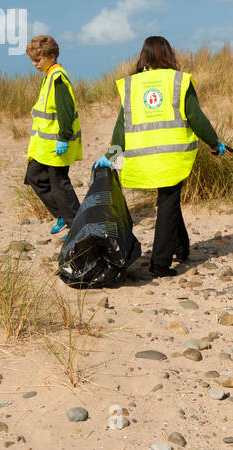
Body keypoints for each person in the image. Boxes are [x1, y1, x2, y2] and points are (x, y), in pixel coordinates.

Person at [95, 36, 225, 278]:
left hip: (143, 158)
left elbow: (120, 126)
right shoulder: (178, 81)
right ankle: (160, 264)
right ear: (168, 53)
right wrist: (214, 142)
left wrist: (112, 156)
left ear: (143, 56)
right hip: (172, 157)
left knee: (169, 200)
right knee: (168, 202)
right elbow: (195, 117)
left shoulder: (131, 85)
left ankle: (181, 247)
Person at [23, 34, 82, 236]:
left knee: (60, 185)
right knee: (33, 176)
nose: (34, 64)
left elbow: (66, 110)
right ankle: (62, 215)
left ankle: (77, 225)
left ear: (51, 56)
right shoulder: (48, 76)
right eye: (32, 59)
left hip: (57, 144)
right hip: (44, 146)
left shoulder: (58, 78)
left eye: (37, 59)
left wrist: (64, 138)